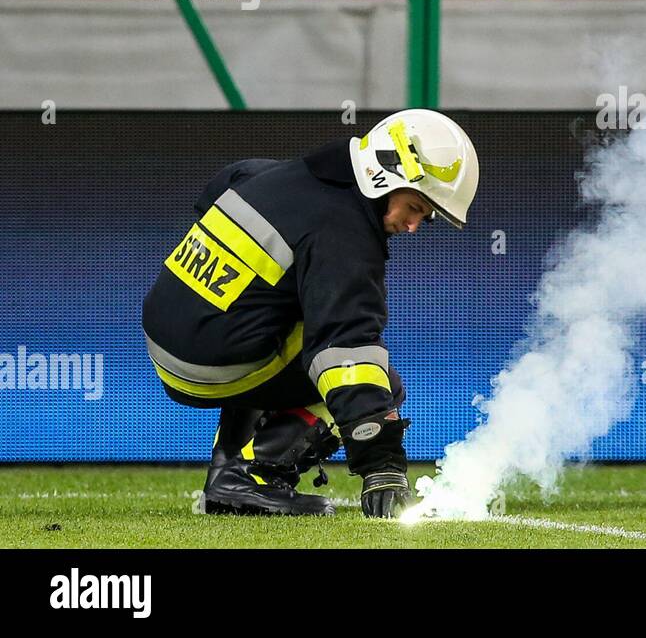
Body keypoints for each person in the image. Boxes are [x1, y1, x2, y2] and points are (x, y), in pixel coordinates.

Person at [141, 109, 479, 517]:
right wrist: (382, 466)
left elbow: (217, 190)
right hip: (210, 363)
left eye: (425, 217)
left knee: (274, 310)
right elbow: (345, 349)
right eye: (415, 207)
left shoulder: (274, 175)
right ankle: (251, 474)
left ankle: (229, 470)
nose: (413, 226)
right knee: (371, 374)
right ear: (384, 175)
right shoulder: (342, 230)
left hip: (166, 338)